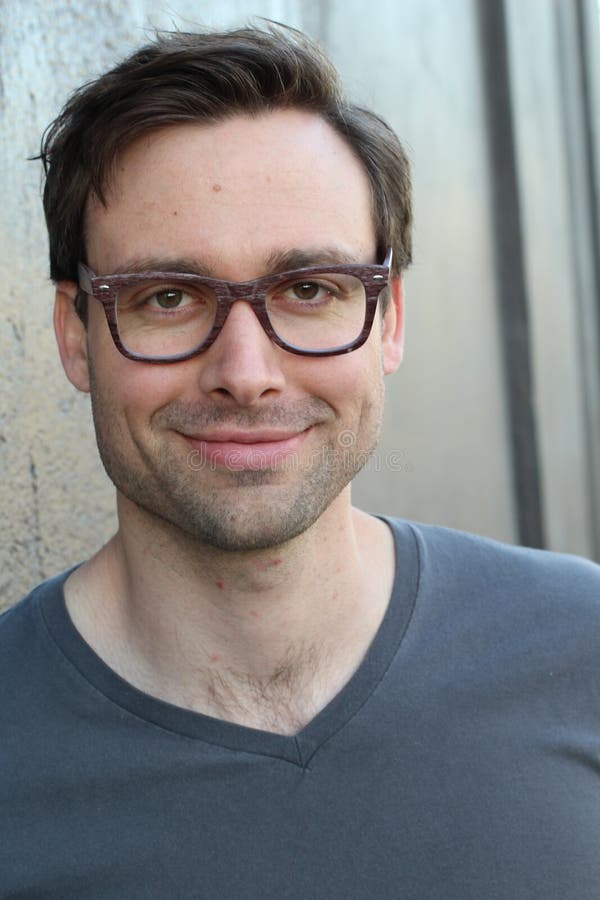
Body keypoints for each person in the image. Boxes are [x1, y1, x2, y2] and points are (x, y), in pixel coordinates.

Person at [2, 23, 600, 899]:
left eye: (309, 289)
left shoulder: (581, 649)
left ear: (389, 318)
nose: (246, 373)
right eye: (167, 297)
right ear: (77, 337)